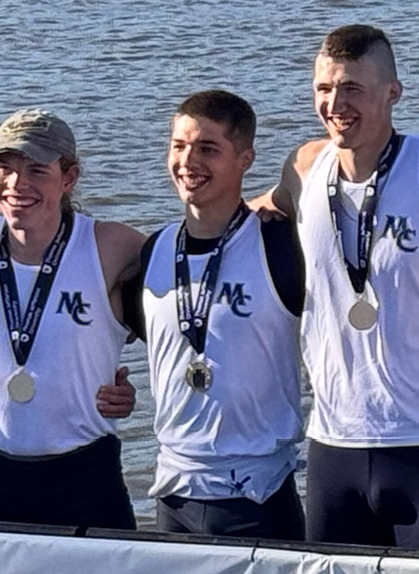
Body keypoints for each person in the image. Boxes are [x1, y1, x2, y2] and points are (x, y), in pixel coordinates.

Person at [255, 24, 419, 549]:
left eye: (352, 89)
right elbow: (253, 212)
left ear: (393, 92)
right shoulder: (304, 166)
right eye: (324, 89)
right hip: (332, 442)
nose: (335, 104)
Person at [0, 109, 142, 529]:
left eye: (35, 170)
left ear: (69, 178)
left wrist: (266, 212)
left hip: (84, 473)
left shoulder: (110, 245)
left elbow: (193, 285)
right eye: (4, 167)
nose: (16, 184)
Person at [131, 90, 307, 540]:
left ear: (246, 158)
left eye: (208, 149)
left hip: (257, 492)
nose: (189, 162)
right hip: (174, 490)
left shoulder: (281, 246)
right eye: (179, 146)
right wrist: (108, 385)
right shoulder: (153, 250)